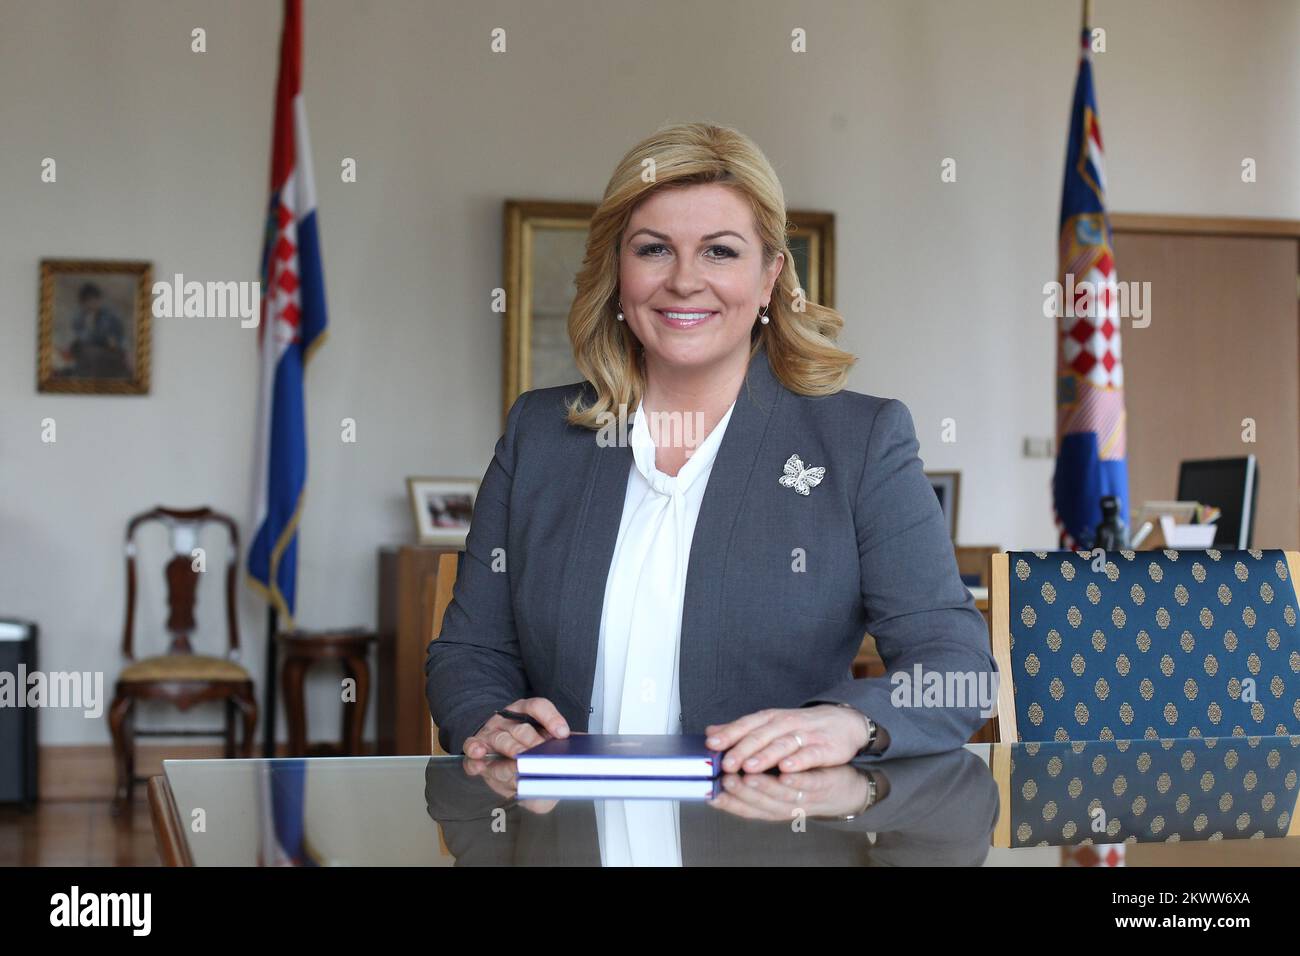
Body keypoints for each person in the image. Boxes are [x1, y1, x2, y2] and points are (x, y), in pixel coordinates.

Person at [426, 123, 995, 775]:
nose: (684, 281)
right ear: (618, 269)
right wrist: (486, 718)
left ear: (769, 276)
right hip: (563, 831)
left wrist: (849, 723)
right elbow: (468, 651)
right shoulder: (539, 434)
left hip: (771, 836)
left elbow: (957, 669)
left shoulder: (860, 442)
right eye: (654, 249)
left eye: (720, 252)